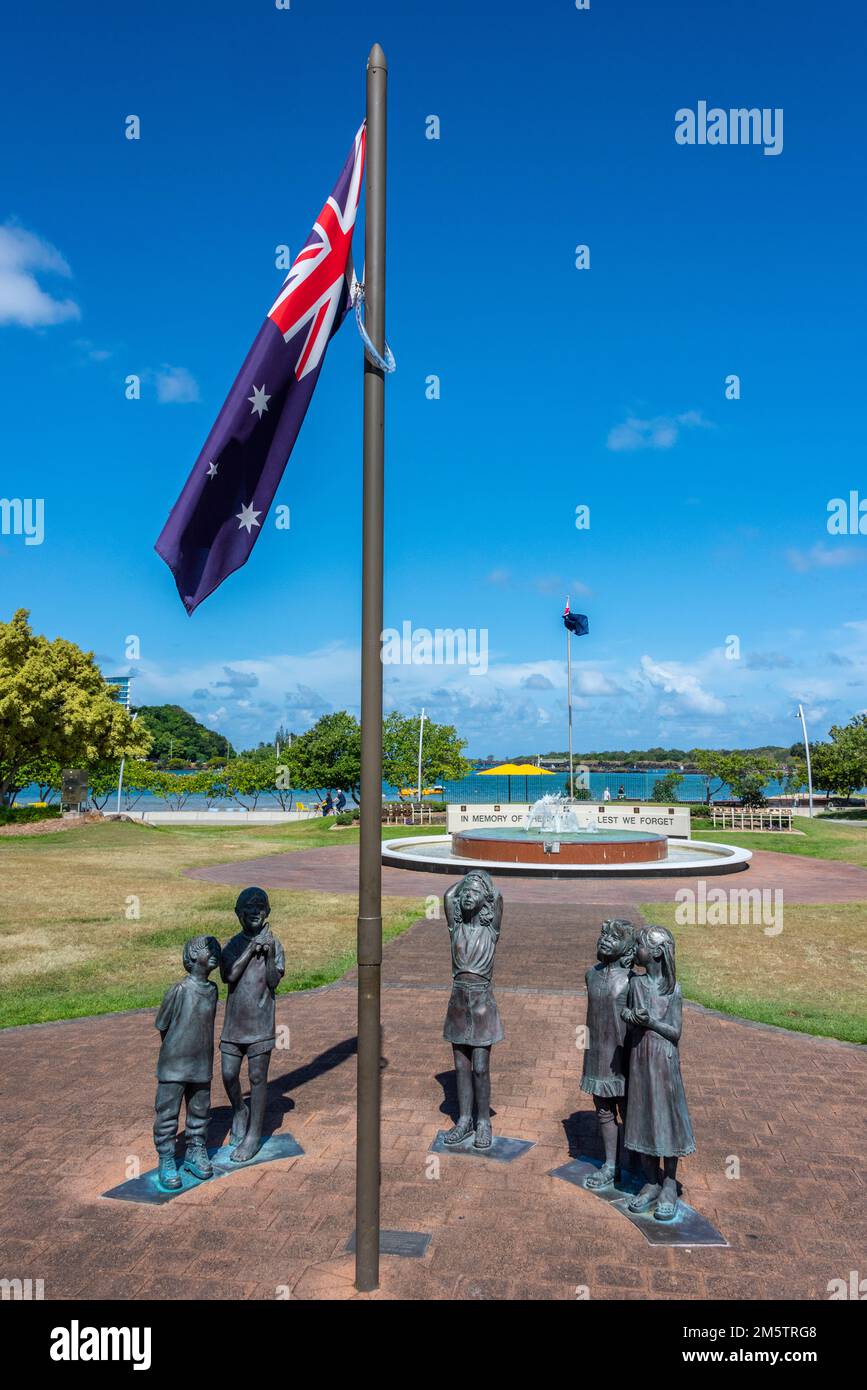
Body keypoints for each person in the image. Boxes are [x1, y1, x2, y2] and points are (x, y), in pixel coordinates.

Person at [621, 925, 695, 1220]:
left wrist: (649, 1021)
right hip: (640, 1058)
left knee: (666, 1118)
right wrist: (630, 1017)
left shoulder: (672, 989)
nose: (635, 950)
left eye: (639, 945)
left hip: (663, 1061)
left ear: (655, 953)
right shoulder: (636, 984)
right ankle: (651, 1181)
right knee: (643, 1115)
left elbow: (675, 1032)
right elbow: (627, 1019)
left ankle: (668, 1184)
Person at [220, 887, 285, 1162]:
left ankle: (254, 1136)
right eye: (249, 907)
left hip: (260, 1022)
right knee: (228, 1074)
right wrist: (250, 950)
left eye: (260, 907)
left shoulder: (275, 944)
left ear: (268, 912)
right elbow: (229, 975)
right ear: (238, 913)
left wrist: (269, 954)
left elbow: (273, 981)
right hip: (234, 1024)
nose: (255, 912)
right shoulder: (235, 945)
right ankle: (239, 1109)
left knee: (257, 1078)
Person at [153, 935, 221, 1191]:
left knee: (200, 1112)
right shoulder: (178, 990)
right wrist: (176, 1050)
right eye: (208, 949)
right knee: (167, 1114)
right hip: (173, 1065)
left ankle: (195, 1150)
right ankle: (167, 1157)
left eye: (217, 949)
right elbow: (163, 1025)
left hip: (201, 1063)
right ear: (192, 956)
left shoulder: (213, 990)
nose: (214, 952)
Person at [442, 869, 504, 1150]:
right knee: (460, 1066)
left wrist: (480, 879)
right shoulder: (456, 926)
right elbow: (448, 895)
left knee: (480, 1067)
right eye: (466, 892)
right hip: (458, 1001)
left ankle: (483, 1121)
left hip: (481, 1003)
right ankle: (464, 1120)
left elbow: (499, 896)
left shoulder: (491, 930)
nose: (467, 896)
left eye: (475, 893)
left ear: (486, 900)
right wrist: (468, 880)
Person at [581, 919, 635, 1190]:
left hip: (622, 1054)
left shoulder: (632, 981)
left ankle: (637, 1160)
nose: (605, 940)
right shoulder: (591, 974)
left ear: (627, 947)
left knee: (628, 1108)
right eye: (603, 935)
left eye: (614, 938)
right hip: (597, 1052)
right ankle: (611, 1165)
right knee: (603, 1109)